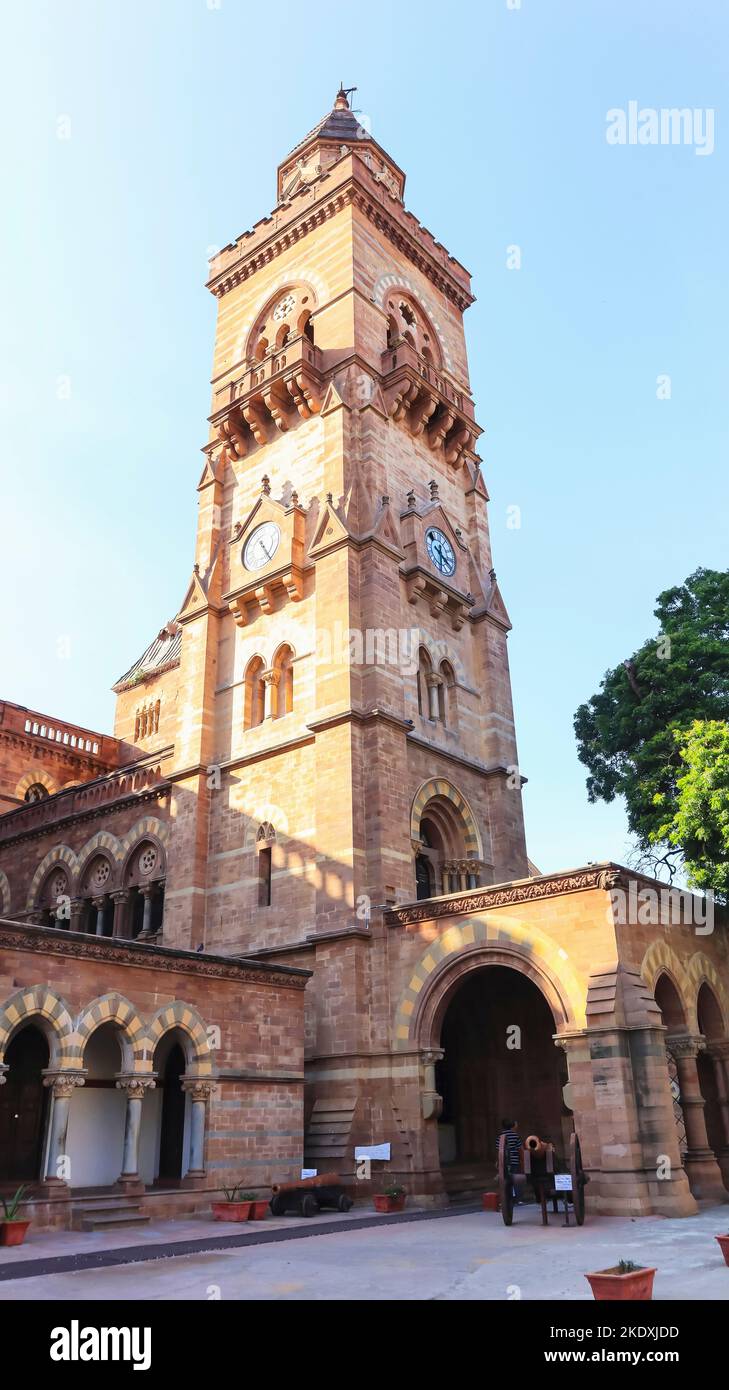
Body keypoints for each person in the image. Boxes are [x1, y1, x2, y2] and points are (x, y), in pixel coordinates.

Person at [497, 1118, 523, 1202]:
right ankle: (517, 1198)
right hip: (514, 1160)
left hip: (504, 1161)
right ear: (512, 1126)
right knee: (515, 1178)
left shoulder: (500, 1136)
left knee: (506, 1179)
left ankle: (508, 1197)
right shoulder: (515, 1136)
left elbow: (499, 1149)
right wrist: (522, 1160)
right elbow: (520, 1149)